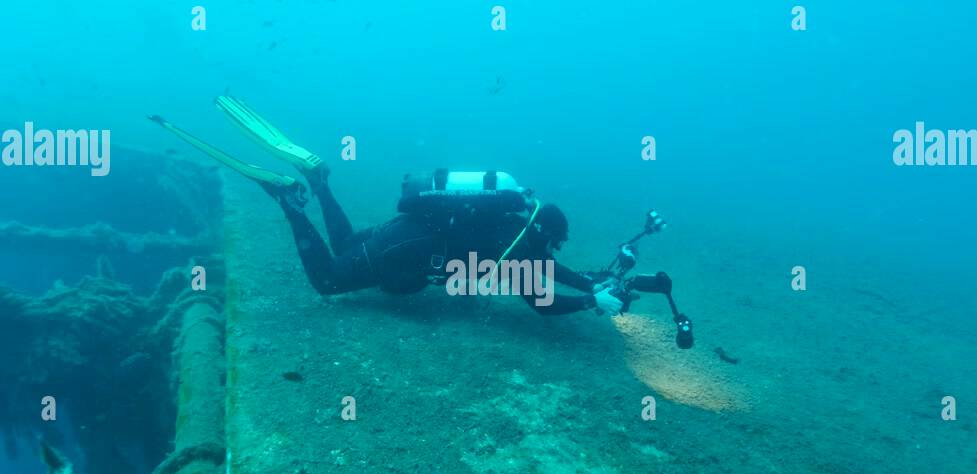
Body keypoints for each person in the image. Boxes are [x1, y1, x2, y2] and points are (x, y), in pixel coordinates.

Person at [151, 97, 624, 315]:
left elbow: (550, 271)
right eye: (554, 242)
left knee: (344, 243)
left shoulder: (513, 231)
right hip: (412, 247)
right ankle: (290, 199)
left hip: (412, 230)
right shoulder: (520, 248)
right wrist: (591, 302)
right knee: (329, 280)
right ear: (543, 233)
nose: (553, 251)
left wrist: (594, 283)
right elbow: (542, 303)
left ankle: (318, 182)